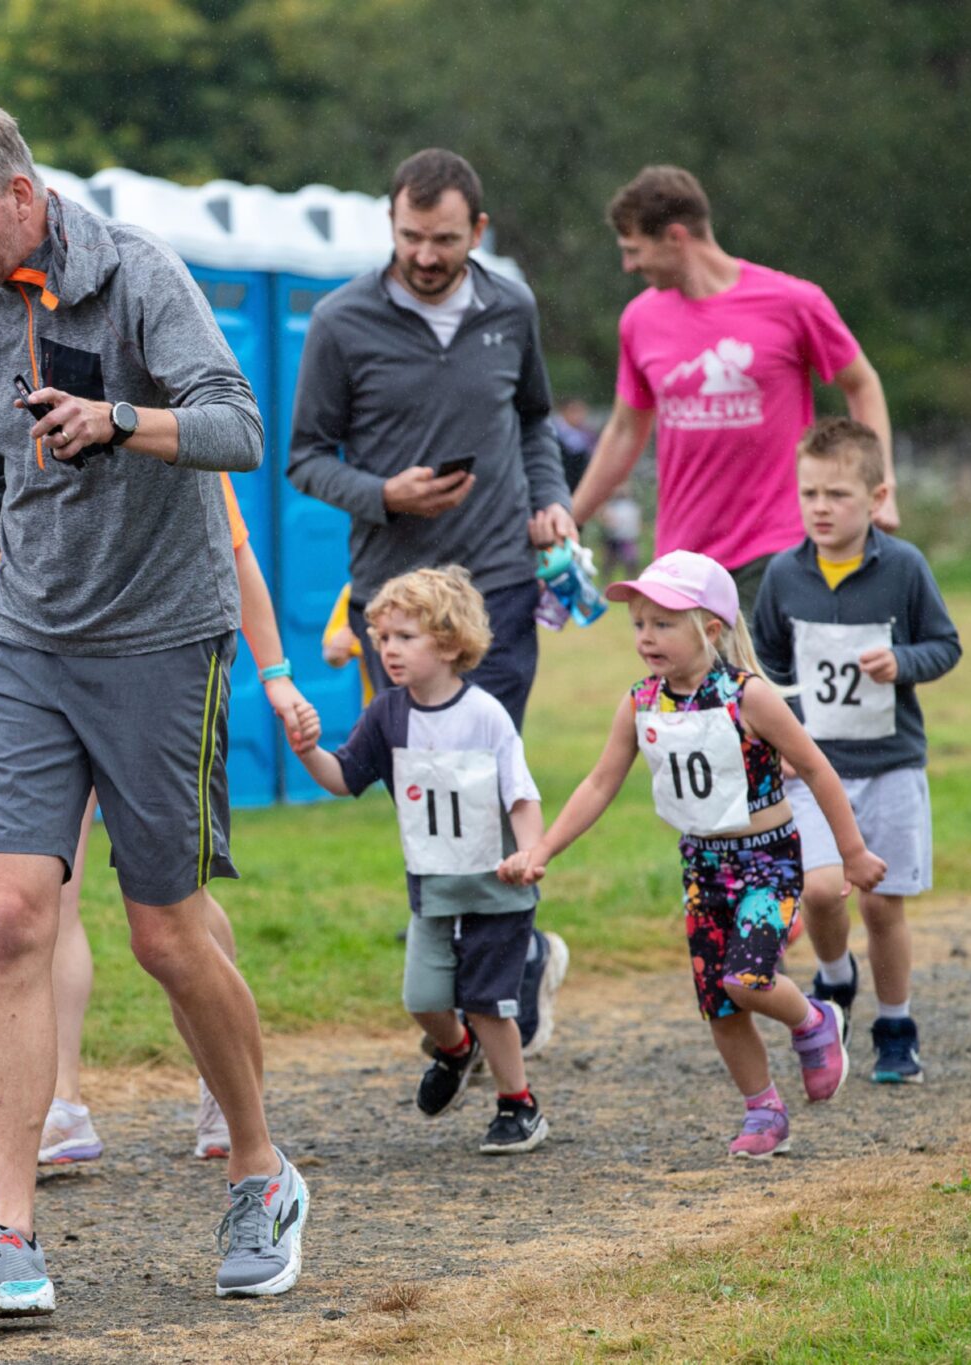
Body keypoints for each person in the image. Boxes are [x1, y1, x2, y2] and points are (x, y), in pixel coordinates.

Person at [0, 96, 305, 1317]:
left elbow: (240, 429)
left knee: (163, 933)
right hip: (23, 646)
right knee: (13, 914)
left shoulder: (142, 279)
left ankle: (259, 1172)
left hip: (163, 643)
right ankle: (7, 1237)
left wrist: (121, 421)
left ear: (18, 192)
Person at [286, 146, 573, 1057]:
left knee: (492, 783)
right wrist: (383, 495)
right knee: (427, 795)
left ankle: (508, 980)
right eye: (411, 236)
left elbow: (534, 419)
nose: (425, 254)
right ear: (392, 226)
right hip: (397, 602)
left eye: (444, 239)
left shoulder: (511, 308)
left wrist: (548, 494)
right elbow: (303, 457)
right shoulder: (341, 321)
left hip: (497, 585)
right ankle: (486, 973)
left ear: (477, 232)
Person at [0, 471, 318, 1166]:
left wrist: (277, 675)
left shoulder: (156, 408)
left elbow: (235, 556)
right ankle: (63, 1104)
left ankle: (225, 1087)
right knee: (35, 898)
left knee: (172, 913)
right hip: (36, 675)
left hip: (145, 670)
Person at [521, 552, 885, 1158]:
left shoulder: (749, 697)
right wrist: (545, 847)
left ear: (710, 629)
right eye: (639, 624)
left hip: (767, 861)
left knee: (746, 979)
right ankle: (763, 1109)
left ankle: (813, 1020)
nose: (646, 637)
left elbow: (817, 769)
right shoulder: (641, 704)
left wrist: (851, 852)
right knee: (718, 998)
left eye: (663, 623)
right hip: (703, 868)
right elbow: (599, 784)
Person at [287, 567, 552, 1154]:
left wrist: (530, 853)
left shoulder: (485, 714)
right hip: (433, 888)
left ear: (451, 644)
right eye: (381, 638)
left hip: (495, 887)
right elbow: (343, 778)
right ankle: (457, 1050)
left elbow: (521, 793)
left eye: (405, 637)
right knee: (423, 1000)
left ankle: (518, 1104)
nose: (388, 650)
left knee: (486, 1003)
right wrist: (307, 751)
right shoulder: (387, 714)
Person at [572, 166, 898, 616]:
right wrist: (574, 518)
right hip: (681, 561)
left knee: (763, 686)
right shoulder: (638, 321)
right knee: (689, 687)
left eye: (634, 251)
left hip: (777, 547)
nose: (629, 266)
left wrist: (881, 485)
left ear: (676, 236)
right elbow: (626, 432)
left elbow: (862, 384)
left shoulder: (793, 302)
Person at [752, 418, 961, 1084]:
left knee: (880, 901)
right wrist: (780, 735)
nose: (820, 506)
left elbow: (946, 644)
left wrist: (902, 661)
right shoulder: (783, 575)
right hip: (813, 771)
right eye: (809, 492)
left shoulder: (904, 567)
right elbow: (764, 666)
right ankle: (836, 979)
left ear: (876, 497)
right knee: (819, 891)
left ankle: (896, 1023)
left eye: (837, 494)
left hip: (891, 762)